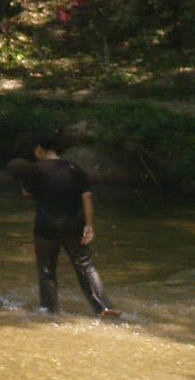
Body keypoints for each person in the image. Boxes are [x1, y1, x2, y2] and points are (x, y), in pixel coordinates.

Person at [6, 136, 120, 318]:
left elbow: (27, 192)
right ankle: (103, 307)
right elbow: (87, 197)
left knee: (47, 269)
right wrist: (89, 225)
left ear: (39, 149)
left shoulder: (34, 170)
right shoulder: (74, 169)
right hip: (74, 226)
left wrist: (22, 175)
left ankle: (50, 311)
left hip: (46, 227)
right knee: (86, 267)